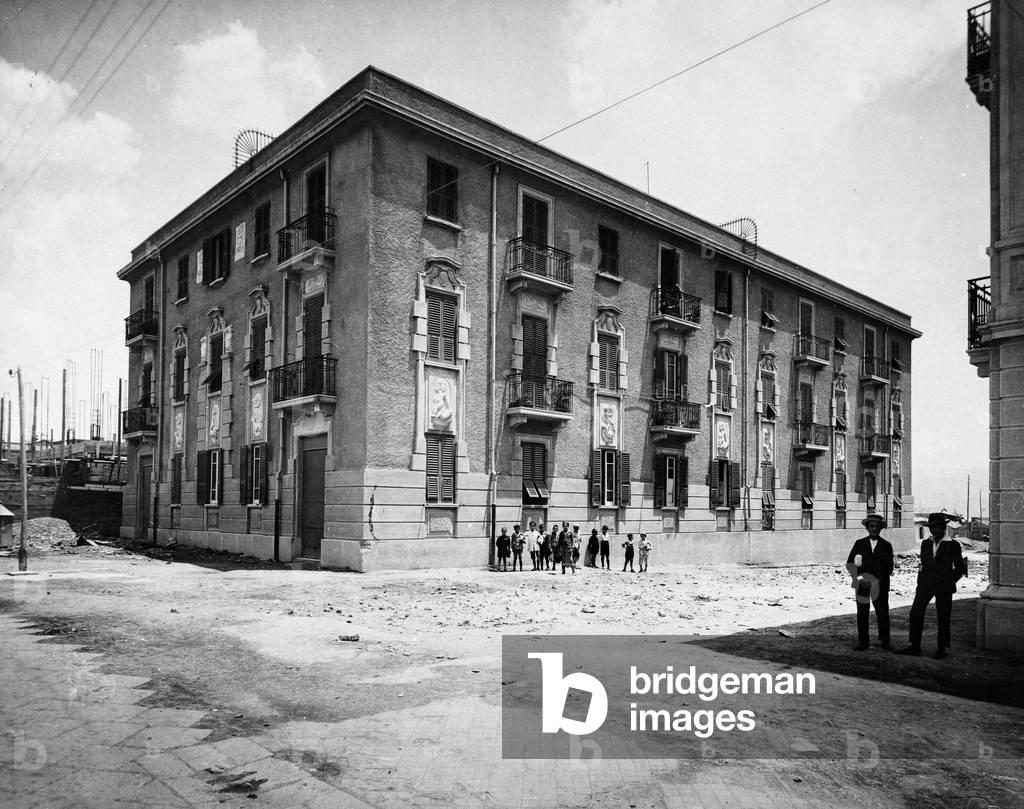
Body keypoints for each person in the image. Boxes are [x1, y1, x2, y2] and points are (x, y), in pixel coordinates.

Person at [899, 512, 967, 659]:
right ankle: (915, 646)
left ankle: (941, 649)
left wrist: (948, 582)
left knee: (943, 616)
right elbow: (924, 565)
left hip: (944, 587)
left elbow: (960, 569)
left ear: (943, 527)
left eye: (937, 527)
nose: (934, 530)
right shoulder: (926, 543)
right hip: (925, 586)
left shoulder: (953, 545)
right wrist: (921, 582)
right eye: (931, 527)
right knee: (916, 612)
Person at [845, 513, 894, 651]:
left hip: (880, 585)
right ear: (867, 528)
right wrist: (860, 579)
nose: (874, 529)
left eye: (876, 526)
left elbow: (889, 567)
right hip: (862, 585)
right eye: (871, 526)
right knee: (862, 613)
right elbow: (850, 564)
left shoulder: (886, 545)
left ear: (880, 528)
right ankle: (863, 642)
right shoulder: (859, 544)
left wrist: (875, 580)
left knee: (883, 613)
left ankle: (885, 641)